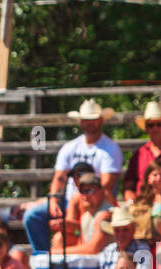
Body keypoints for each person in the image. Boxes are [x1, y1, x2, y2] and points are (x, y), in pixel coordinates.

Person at [22, 99, 123, 253]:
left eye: (93, 119)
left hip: (93, 202)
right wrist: (54, 199)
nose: (90, 123)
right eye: (86, 120)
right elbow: (59, 178)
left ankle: (51, 257)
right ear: (80, 122)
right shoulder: (69, 147)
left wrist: (83, 200)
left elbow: (106, 185)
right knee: (32, 217)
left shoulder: (110, 149)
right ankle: (42, 260)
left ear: (101, 120)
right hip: (68, 201)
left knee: (62, 237)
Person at [53, 171, 114, 255]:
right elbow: (82, 242)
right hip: (90, 262)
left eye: (90, 190)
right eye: (82, 191)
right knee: (59, 238)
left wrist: (55, 252)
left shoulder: (106, 214)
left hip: (107, 262)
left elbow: (93, 249)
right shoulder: (87, 214)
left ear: (101, 190)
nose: (86, 195)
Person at [130, 160, 161, 240]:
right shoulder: (140, 200)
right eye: (155, 175)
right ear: (148, 178)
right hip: (143, 242)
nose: (159, 178)